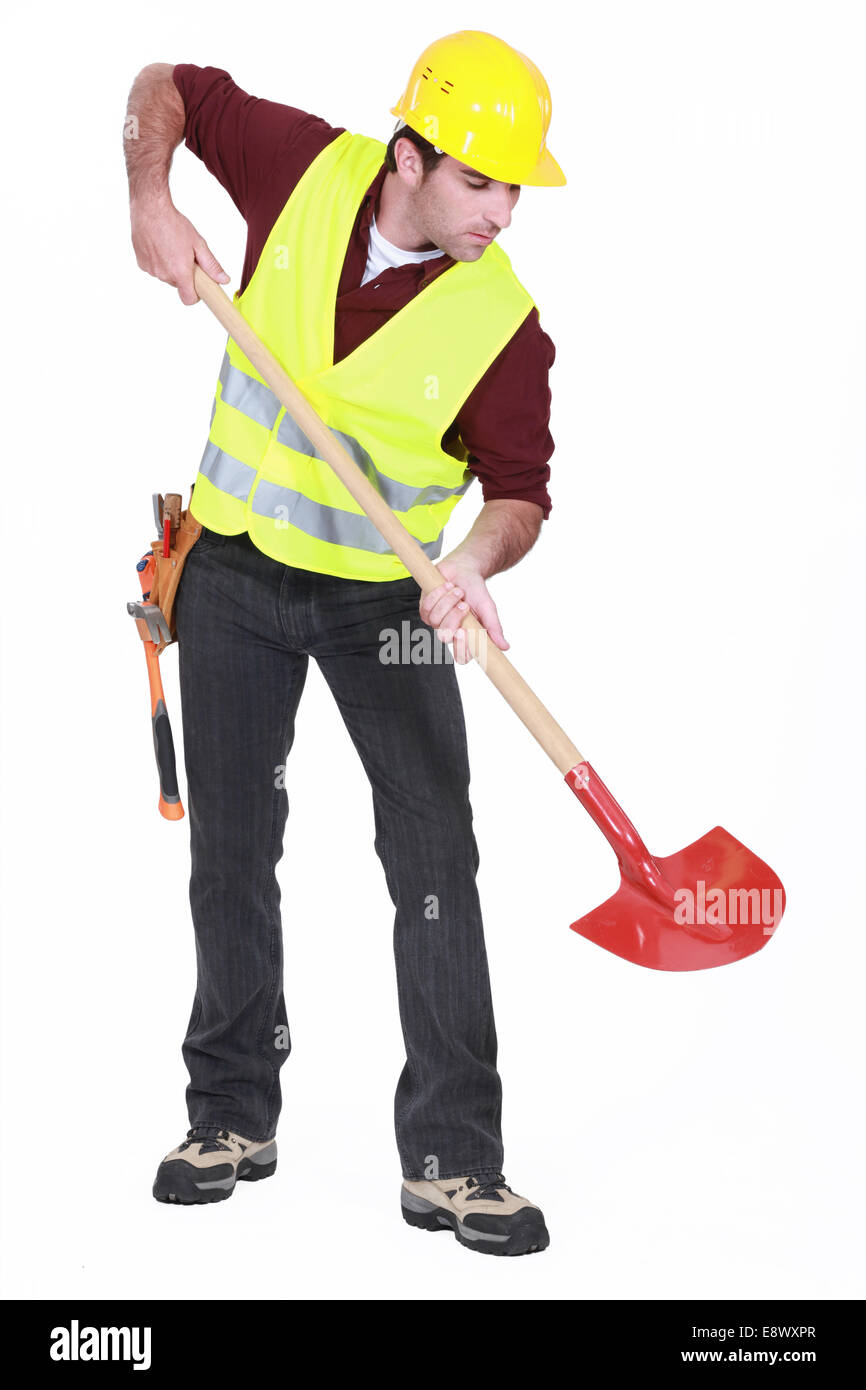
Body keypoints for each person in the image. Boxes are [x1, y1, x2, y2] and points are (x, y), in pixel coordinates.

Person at [124, 29, 563, 1256]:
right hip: (229, 575)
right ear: (410, 156)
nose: (504, 213)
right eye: (481, 181)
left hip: (390, 605)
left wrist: (469, 567)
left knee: (433, 860)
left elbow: (519, 493)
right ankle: (228, 1117)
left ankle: (454, 1161)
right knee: (233, 849)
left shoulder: (502, 327)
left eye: (516, 185)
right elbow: (165, 87)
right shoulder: (306, 170)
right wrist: (150, 196)